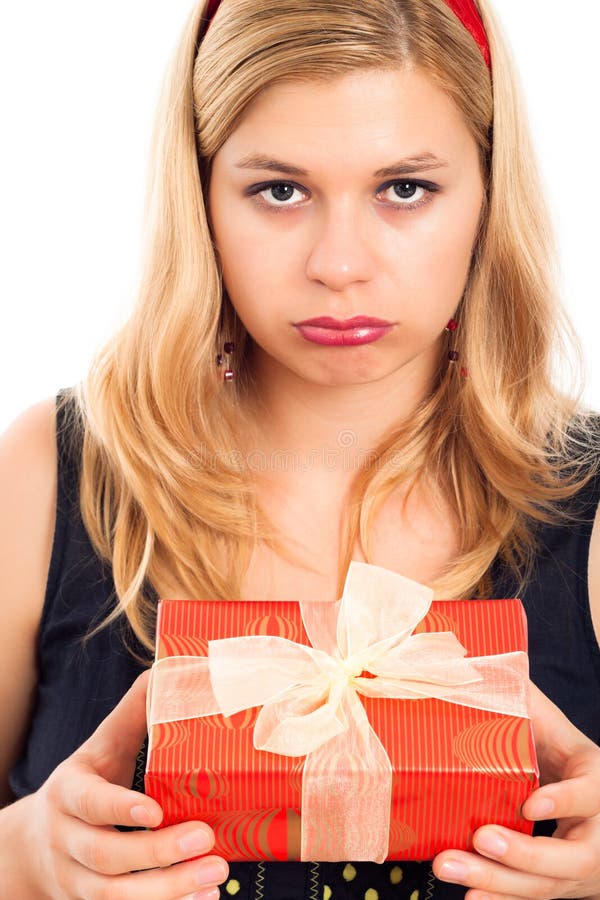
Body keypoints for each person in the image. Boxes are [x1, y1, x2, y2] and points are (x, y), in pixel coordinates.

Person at [1, 0, 599, 897]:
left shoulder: (589, 503)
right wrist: (21, 860)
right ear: (199, 197)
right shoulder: (49, 474)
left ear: (487, 191)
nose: (340, 264)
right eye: (279, 190)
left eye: (406, 189)